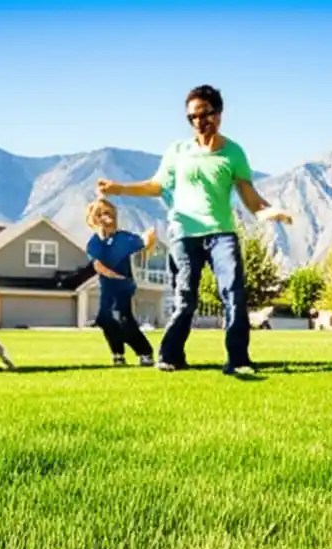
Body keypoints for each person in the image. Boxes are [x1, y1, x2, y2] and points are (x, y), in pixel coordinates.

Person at [95, 84, 291, 375]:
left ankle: (238, 359)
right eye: (192, 118)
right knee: (185, 297)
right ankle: (171, 355)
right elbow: (155, 185)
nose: (199, 122)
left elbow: (250, 197)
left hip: (222, 233)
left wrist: (269, 211)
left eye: (204, 115)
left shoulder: (234, 153)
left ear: (219, 114)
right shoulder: (178, 151)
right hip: (184, 234)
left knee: (233, 294)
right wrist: (119, 188)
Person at [84, 198, 156, 366]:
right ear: (94, 219)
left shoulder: (123, 238)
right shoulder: (93, 243)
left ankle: (145, 352)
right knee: (104, 319)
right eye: (100, 214)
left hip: (124, 286)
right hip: (108, 286)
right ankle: (118, 354)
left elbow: (143, 243)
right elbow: (98, 266)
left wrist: (150, 237)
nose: (106, 217)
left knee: (123, 319)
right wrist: (115, 277)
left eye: (109, 213)